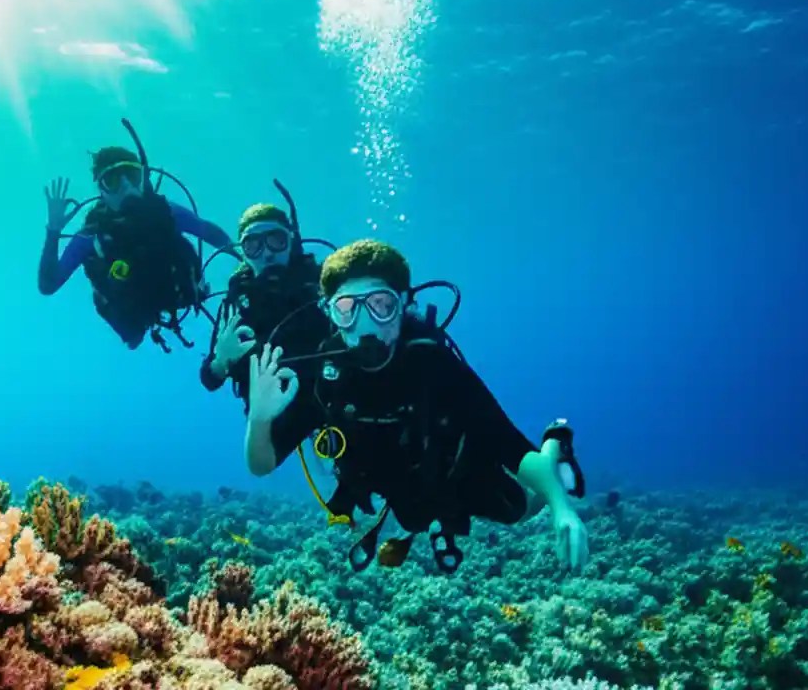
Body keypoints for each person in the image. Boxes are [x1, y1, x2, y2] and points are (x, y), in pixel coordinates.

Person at [242, 239, 590, 574]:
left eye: (380, 305)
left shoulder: (433, 365)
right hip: (395, 486)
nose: (364, 325)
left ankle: (555, 448)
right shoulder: (327, 379)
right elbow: (262, 463)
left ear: (404, 304)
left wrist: (562, 509)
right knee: (413, 518)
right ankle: (548, 478)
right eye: (347, 309)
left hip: (453, 470)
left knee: (521, 510)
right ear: (330, 314)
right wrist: (259, 419)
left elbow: (511, 447)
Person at [38, 145, 232, 351]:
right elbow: (48, 285)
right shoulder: (93, 234)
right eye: (112, 181)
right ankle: (132, 331)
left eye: (131, 176)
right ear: (102, 191)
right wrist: (53, 231)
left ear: (142, 179)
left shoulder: (166, 213)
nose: (125, 187)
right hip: (130, 307)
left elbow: (210, 233)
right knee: (131, 333)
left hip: (175, 292)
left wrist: (245, 257)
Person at [200, 202, 332, 411]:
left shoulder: (325, 284)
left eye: (276, 240)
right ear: (243, 254)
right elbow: (210, 380)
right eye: (253, 246)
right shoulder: (238, 304)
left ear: (292, 241)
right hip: (274, 415)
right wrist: (221, 361)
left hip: (334, 396)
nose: (267, 253)